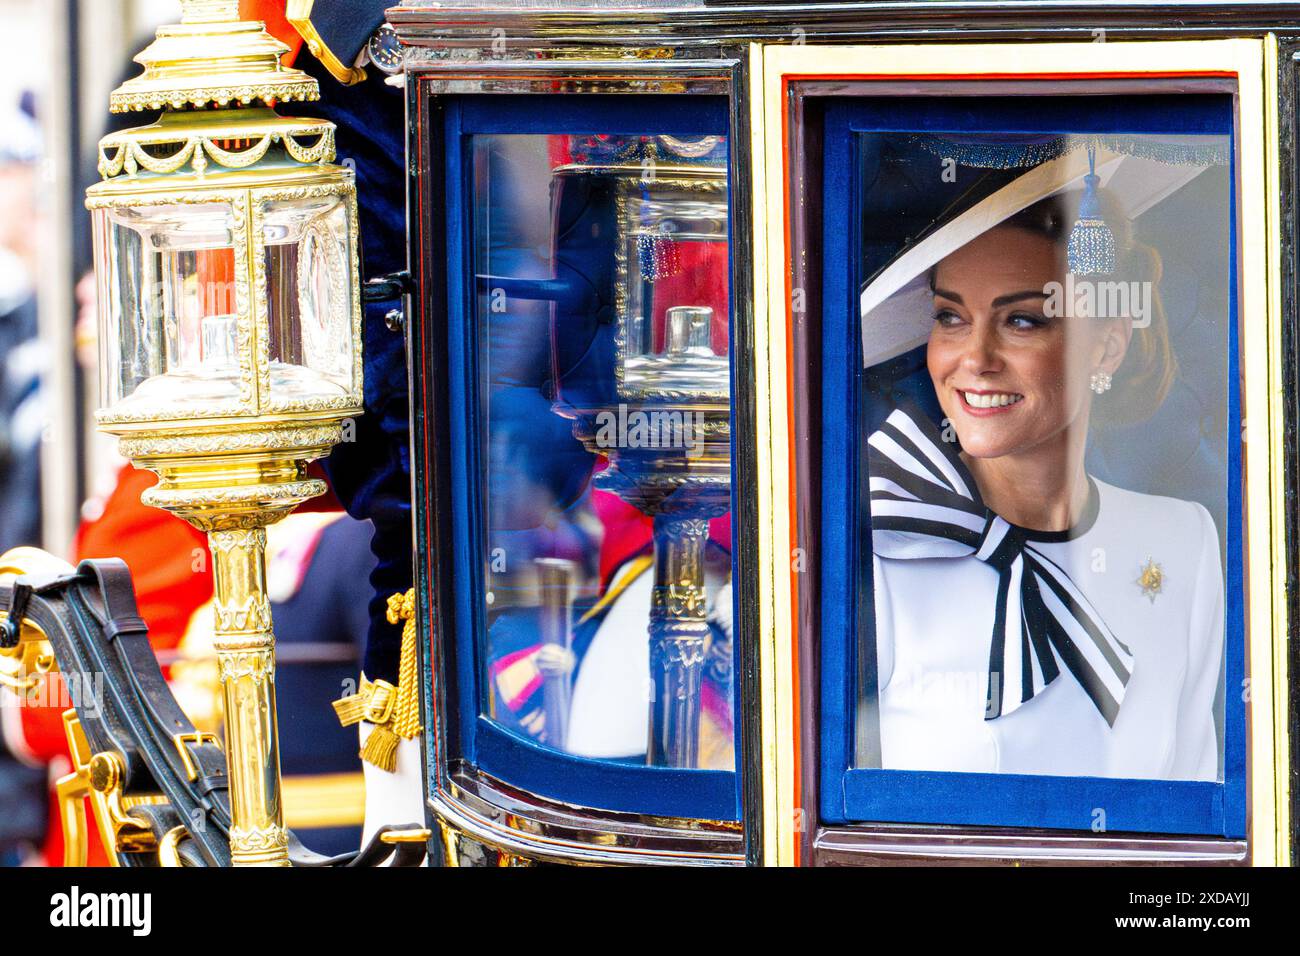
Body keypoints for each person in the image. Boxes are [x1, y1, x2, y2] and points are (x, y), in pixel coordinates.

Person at [864, 162, 1225, 782]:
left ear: (1106, 346)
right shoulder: (886, 539)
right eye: (951, 317)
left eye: (1022, 320)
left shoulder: (1184, 543)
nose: (974, 360)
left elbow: (1196, 804)